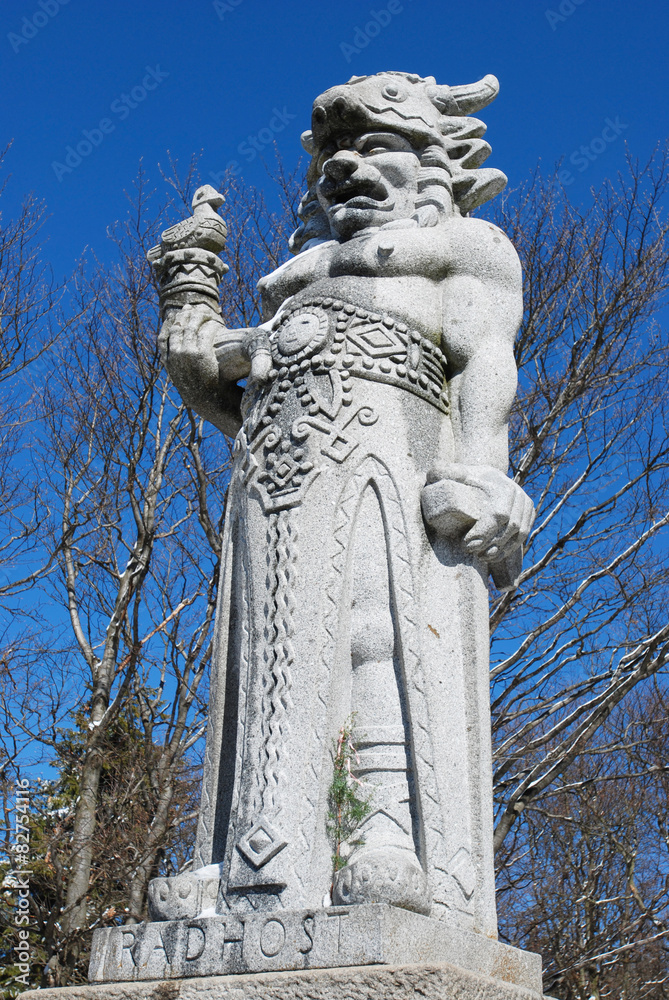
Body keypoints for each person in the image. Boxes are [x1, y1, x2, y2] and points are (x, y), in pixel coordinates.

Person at [157, 72, 534, 934]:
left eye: (376, 146)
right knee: (258, 652)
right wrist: (189, 323)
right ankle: (245, 848)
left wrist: (481, 468)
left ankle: (383, 829)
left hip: (391, 458)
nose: (348, 166)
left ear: (431, 161)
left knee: (376, 633)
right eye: (334, 152)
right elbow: (235, 393)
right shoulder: (293, 279)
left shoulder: (462, 249)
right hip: (276, 473)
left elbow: (485, 361)